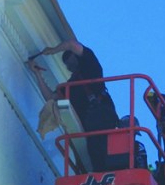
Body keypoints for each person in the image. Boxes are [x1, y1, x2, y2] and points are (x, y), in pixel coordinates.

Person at [27, 40, 119, 171]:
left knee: (107, 149)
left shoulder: (91, 67)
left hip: (103, 117)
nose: (69, 65)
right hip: (89, 128)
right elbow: (50, 98)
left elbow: (71, 44)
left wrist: (53, 50)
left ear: (77, 57)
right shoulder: (70, 87)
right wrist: (37, 74)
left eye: (70, 59)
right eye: (66, 64)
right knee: (95, 157)